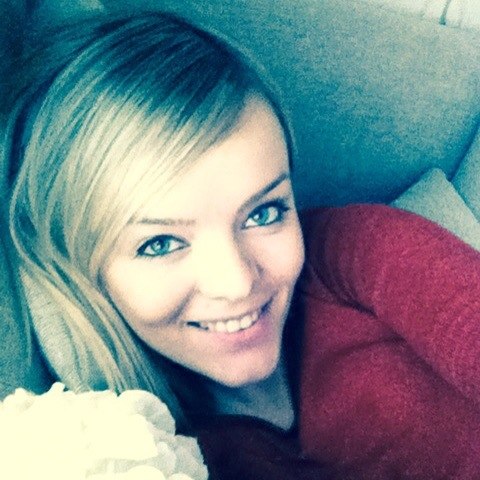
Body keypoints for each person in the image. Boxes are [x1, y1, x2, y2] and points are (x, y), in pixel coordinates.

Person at [5, 10, 480, 480]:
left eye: (263, 213)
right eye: (161, 243)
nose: (236, 283)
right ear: (79, 268)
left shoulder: (353, 249)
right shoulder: (142, 456)